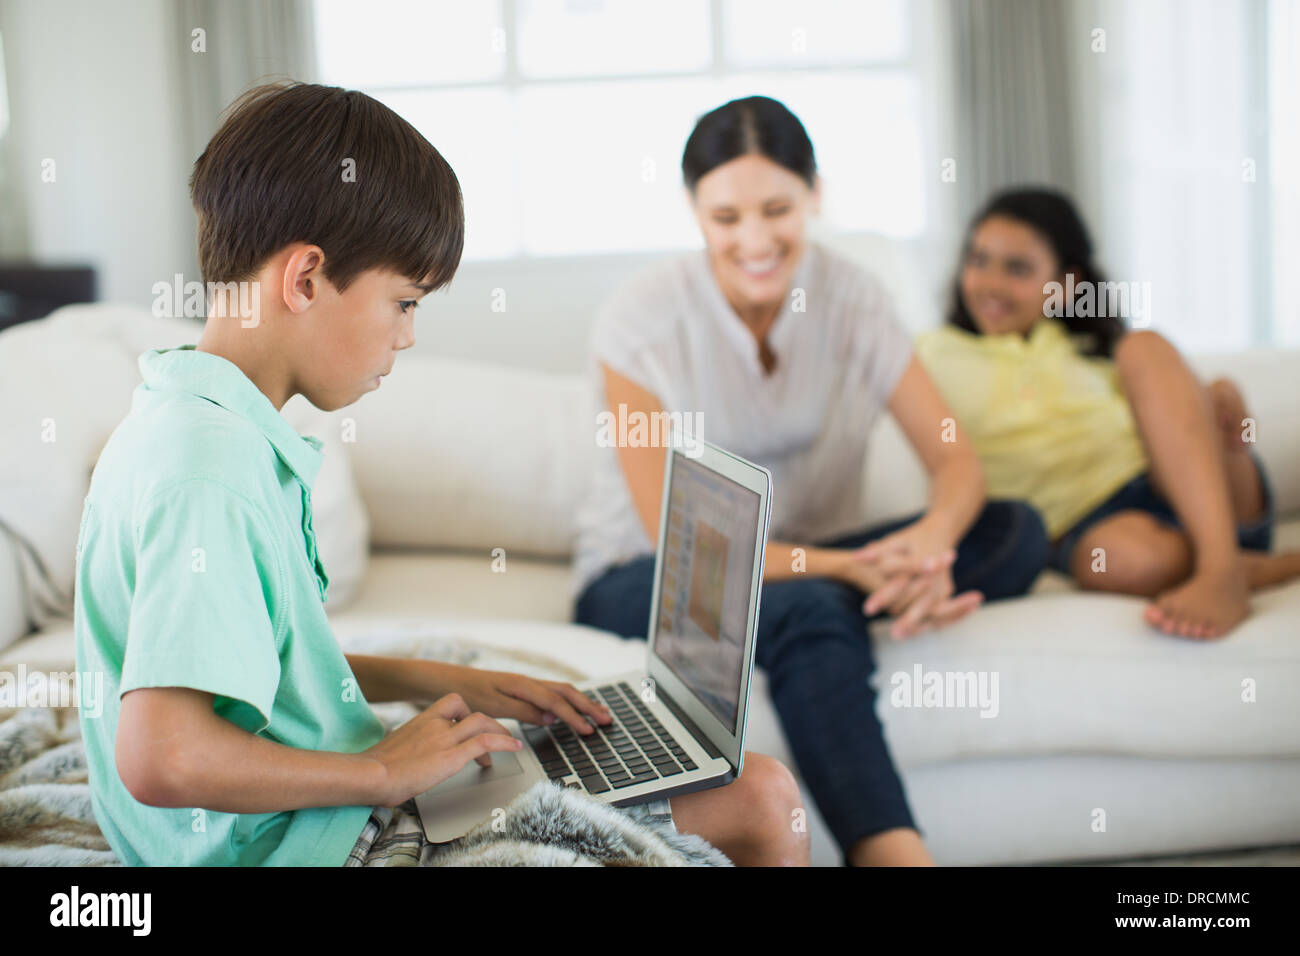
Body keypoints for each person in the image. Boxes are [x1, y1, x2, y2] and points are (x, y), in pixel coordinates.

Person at [72, 81, 806, 867]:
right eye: (405, 302)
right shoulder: (209, 470)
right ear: (305, 279)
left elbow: (247, 669)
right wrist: (382, 769)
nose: (408, 336)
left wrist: (438, 680)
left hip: (296, 821)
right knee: (762, 799)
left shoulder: (192, 417)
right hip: (302, 845)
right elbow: (164, 756)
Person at [572, 95, 1050, 867]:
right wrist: (842, 570)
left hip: (808, 558)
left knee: (1016, 531)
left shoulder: (853, 297)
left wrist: (927, 548)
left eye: (777, 209)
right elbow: (680, 538)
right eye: (727, 218)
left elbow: (956, 459)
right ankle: (895, 857)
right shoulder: (639, 320)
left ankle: (867, 588)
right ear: (694, 212)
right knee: (813, 603)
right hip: (652, 574)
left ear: (814, 194)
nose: (755, 240)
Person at [915, 187, 1300, 639]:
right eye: (977, 260)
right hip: (1096, 527)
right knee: (1116, 560)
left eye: (1016, 268)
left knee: (1144, 346)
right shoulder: (933, 354)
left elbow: (1176, 415)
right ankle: (1250, 568)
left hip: (1204, 493)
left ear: (1065, 285)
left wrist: (1219, 397)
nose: (990, 283)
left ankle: (1220, 568)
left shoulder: (1090, 348)